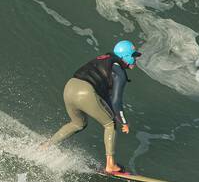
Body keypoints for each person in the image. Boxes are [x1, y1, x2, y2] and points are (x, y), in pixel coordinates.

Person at [42, 41, 141, 173]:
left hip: (70, 87)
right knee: (110, 123)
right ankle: (110, 165)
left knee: (78, 123)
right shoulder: (119, 73)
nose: (135, 59)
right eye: (133, 56)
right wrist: (123, 121)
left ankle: (45, 146)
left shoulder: (105, 59)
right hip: (85, 92)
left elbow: (106, 96)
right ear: (126, 56)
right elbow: (116, 101)